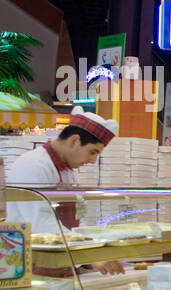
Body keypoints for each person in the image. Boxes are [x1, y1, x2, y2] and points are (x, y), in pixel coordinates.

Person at [7, 106, 124, 275]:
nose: (93, 161)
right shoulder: (35, 166)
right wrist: (87, 255)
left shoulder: (67, 170)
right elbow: (42, 225)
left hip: (59, 265)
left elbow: (76, 219)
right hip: (29, 268)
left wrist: (94, 247)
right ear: (74, 141)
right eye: (92, 152)